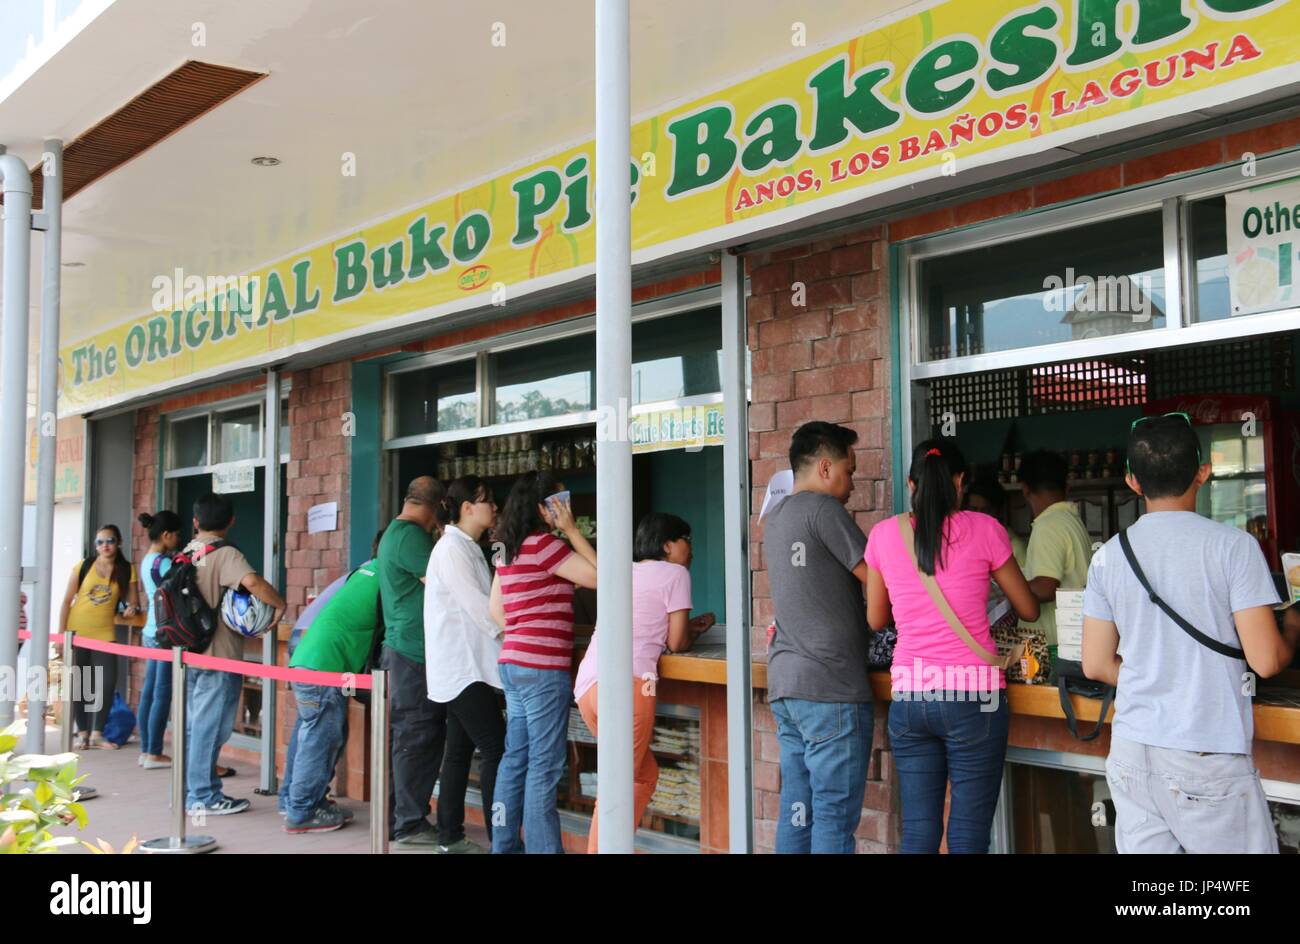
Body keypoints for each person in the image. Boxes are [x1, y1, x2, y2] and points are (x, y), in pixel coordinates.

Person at [1083, 414, 1298, 853]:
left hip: (1133, 751)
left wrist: (1158, 676)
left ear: (1132, 481)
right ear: (1203, 471)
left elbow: (1096, 664)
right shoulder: (1233, 548)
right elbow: (1266, 660)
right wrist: (1293, 625)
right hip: (1206, 751)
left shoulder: (1108, 557)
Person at [865, 439, 1039, 854]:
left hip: (910, 694)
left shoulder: (884, 535)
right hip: (974, 696)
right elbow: (1028, 609)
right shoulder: (986, 529)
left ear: (911, 484)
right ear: (960, 481)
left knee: (920, 834)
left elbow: (875, 620)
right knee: (967, 835)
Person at [573, 512, 714, 853]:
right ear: (668, 546)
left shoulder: (627, 571)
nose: (691, 549)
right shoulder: (676, 573)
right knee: (616, 790)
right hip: (629, 688)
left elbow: (650, 626)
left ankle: (617, 846)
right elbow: (677, 643)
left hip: (589, 685)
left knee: (644, 775)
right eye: (687, 540)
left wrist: (689, 628)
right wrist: (691, 633)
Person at [763, 421, 872, 854]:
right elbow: (876, 579)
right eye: (850, 471)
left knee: (798, 807)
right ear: (826, 468)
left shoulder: (775, 517)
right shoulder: (824, 511)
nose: (852, 484)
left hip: (788, 686)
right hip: (830, 690)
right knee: (832, 817)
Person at [488, 471, 597, 854]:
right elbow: (603, 577)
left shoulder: (503, 548)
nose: (564, 506)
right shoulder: (546, 546)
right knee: (544, 768)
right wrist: (571, 529)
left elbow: (494, 610)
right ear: (541, 507)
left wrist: (522, 633)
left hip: (512, 663)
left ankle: (503, 846)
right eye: (558, 500)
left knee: (515, 758)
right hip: (541, 669)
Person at [184, 493, 286, 816]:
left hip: (189, 653)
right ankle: (201, 796)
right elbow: (252, 582)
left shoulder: (187, 552)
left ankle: (196, 790)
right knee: (211, 727)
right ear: (231, 522)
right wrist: (279, 604)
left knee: (196, 726)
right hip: (219, 655)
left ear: (196, 522)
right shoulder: (223, 553)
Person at [280, 534, 387, 834]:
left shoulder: (363, 572)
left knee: (314, 731)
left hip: (309, 657)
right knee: (321, 737)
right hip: (325, 666)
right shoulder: (385, 578)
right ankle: (302, 810)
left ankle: (297, 801)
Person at [424, 476, 504, 854]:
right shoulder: (453, 548)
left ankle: (450, 836)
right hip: (463, 669)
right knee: (495, 748)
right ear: (467, 507)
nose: (494, 507)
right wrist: (511, 635)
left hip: (465, 667)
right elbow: (481, 608)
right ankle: (499, 836)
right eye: (487, 501)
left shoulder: (466, 546)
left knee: (458, 752)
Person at [378, 476, 445, 846]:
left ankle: (399, 818)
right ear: (435, 508)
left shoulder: (394, 533)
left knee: (409, 735)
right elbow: (443, 582)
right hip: (413, 653)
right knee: (417, 734)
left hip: (405, 651)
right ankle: (409, 823)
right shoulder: (410, 537)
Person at [57, 524, 139, 750]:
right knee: (79, 683)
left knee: (106, 682)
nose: (105, 546)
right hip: (76, 631)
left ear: (119, 542)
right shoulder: (83, 566)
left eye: (110, 540)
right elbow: (66, 602)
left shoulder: (126, 569)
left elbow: (134, 602)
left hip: (104, 633)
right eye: (100, 542)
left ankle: (97, 733)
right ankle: (82, 733)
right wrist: (60, 635)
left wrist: (131, 608)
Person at [1017, 450, 1093, 646]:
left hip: (1054, 647)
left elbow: (1045, 588)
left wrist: (1009, 588)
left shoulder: (1048, 525)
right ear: (1066, 486)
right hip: (1074, 640)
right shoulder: (1071, 520)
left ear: (1025, 489)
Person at [136, 511, 182, 768]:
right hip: (165, 634)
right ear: (166, 535)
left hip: (150, 630)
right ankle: (154, 751)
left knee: (149, 692)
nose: (178, 539)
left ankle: (146, 749)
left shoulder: (147, 560)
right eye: (176, 535)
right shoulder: (163, 563)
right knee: (162, 693)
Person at [963, 472, 1026, 567]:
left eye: (985, 510)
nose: (979, 516)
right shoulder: (960, 543)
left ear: (998, 511)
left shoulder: (1014, 547)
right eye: (973, 509)